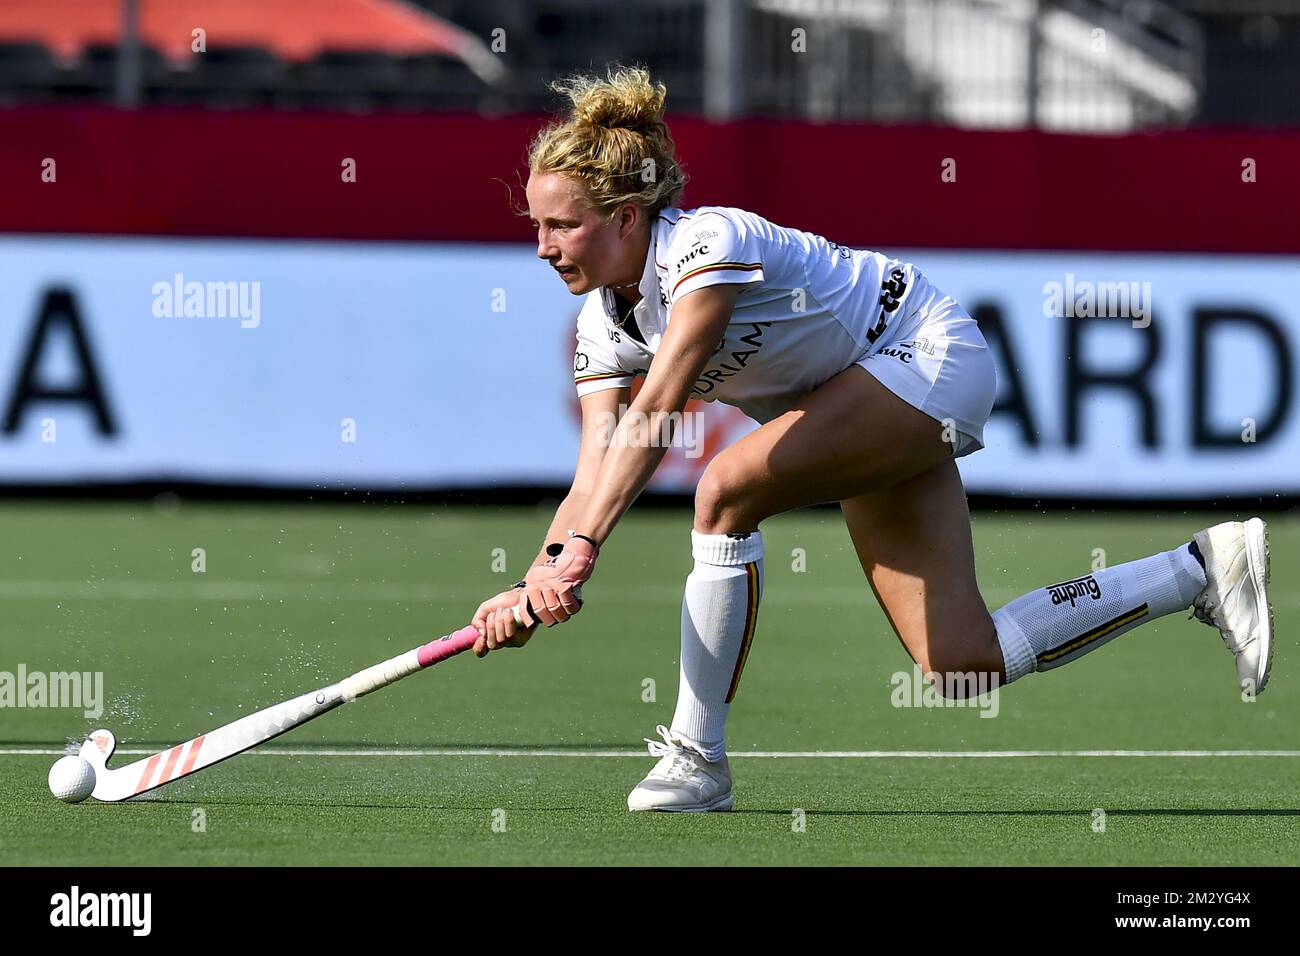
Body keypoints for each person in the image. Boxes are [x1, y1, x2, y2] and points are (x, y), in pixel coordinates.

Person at [470, 66, 1274, 812]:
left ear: (624, 216)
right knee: (961, 666)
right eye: (537, 226)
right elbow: (591, 472)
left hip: (927, 358)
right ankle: (1199, 569)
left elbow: (661, 406)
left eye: (560, 227)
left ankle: (696, 756)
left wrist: (581, 551)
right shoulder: (600, 328)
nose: (541, 247)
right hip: (853, 404)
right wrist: (534, 575)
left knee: (723, 490)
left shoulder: (704, 248)